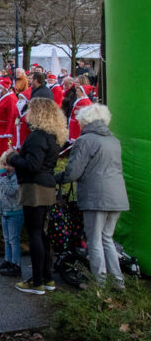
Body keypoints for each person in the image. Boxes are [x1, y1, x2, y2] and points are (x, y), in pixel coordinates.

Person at [56, 104, 129, 287]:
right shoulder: (114, 140)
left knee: (94, 240)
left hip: (95, 196)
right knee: (107, 238)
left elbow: (73, 172)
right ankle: (118, 281)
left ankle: (99, 283)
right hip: (117, 195)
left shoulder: (85, 140)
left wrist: (57, 178)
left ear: (85, 120)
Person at [4, 97, 67, 295]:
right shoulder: (52, 136)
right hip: (46, 185)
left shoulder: (38, 136)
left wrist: (13, 157)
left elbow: (32, 165)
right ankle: (46, 277)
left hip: (34, 187)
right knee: (41, 233)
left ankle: (37, 280)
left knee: (34, 234)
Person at [0, 157, 24, 278]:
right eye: (4, 164)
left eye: (9, 165)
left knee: (13, 240)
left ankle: (16, 265)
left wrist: (3, 178)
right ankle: (8, 260)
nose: (6, 167)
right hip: (4, 212)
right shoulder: (2, 177)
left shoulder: (16, 177)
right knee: (7, 239)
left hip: (15, 212)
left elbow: (11, 191)